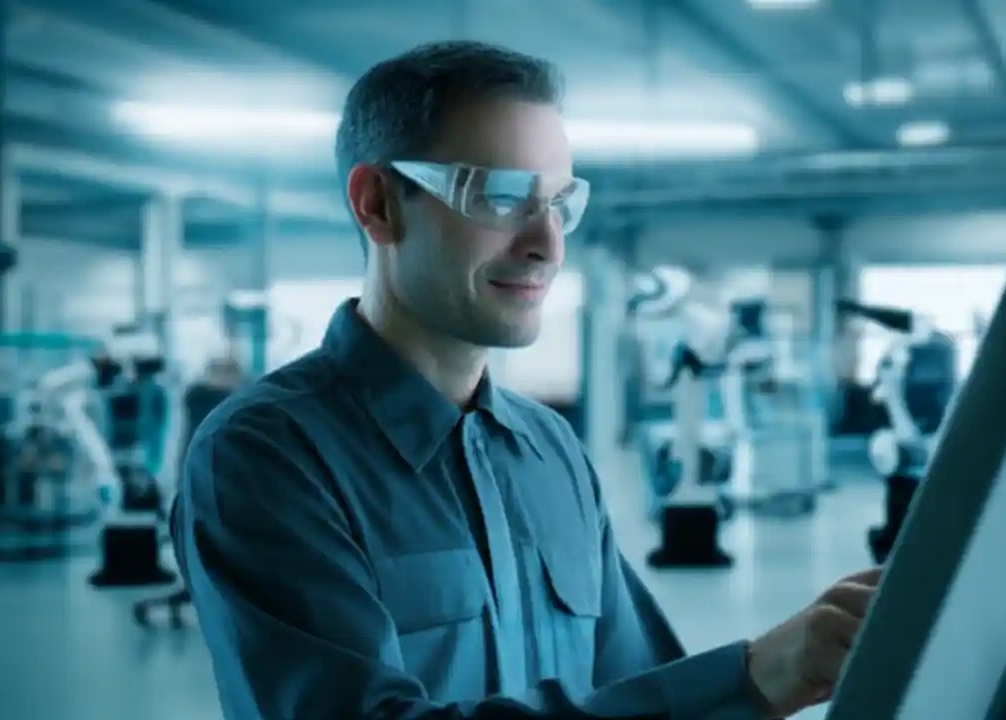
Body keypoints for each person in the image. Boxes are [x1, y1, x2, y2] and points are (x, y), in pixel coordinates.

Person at [173, 41, 881, 720]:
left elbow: (637, 690)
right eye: (503, 197)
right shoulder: (268, 456)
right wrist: (752, 678)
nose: (547, 244)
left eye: (561, 202)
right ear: (379, 206)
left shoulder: (550, 449)